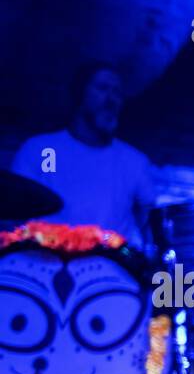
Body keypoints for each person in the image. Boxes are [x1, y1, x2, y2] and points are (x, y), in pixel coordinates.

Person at [9, 63, 155, 247]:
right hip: (44, 264)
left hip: (110, 268)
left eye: (117, 92)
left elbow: (150, 227)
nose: (111, 100)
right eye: (102, 88)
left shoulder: (135, 161)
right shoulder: (41, 149)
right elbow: (13, 215)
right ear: (79, 95)